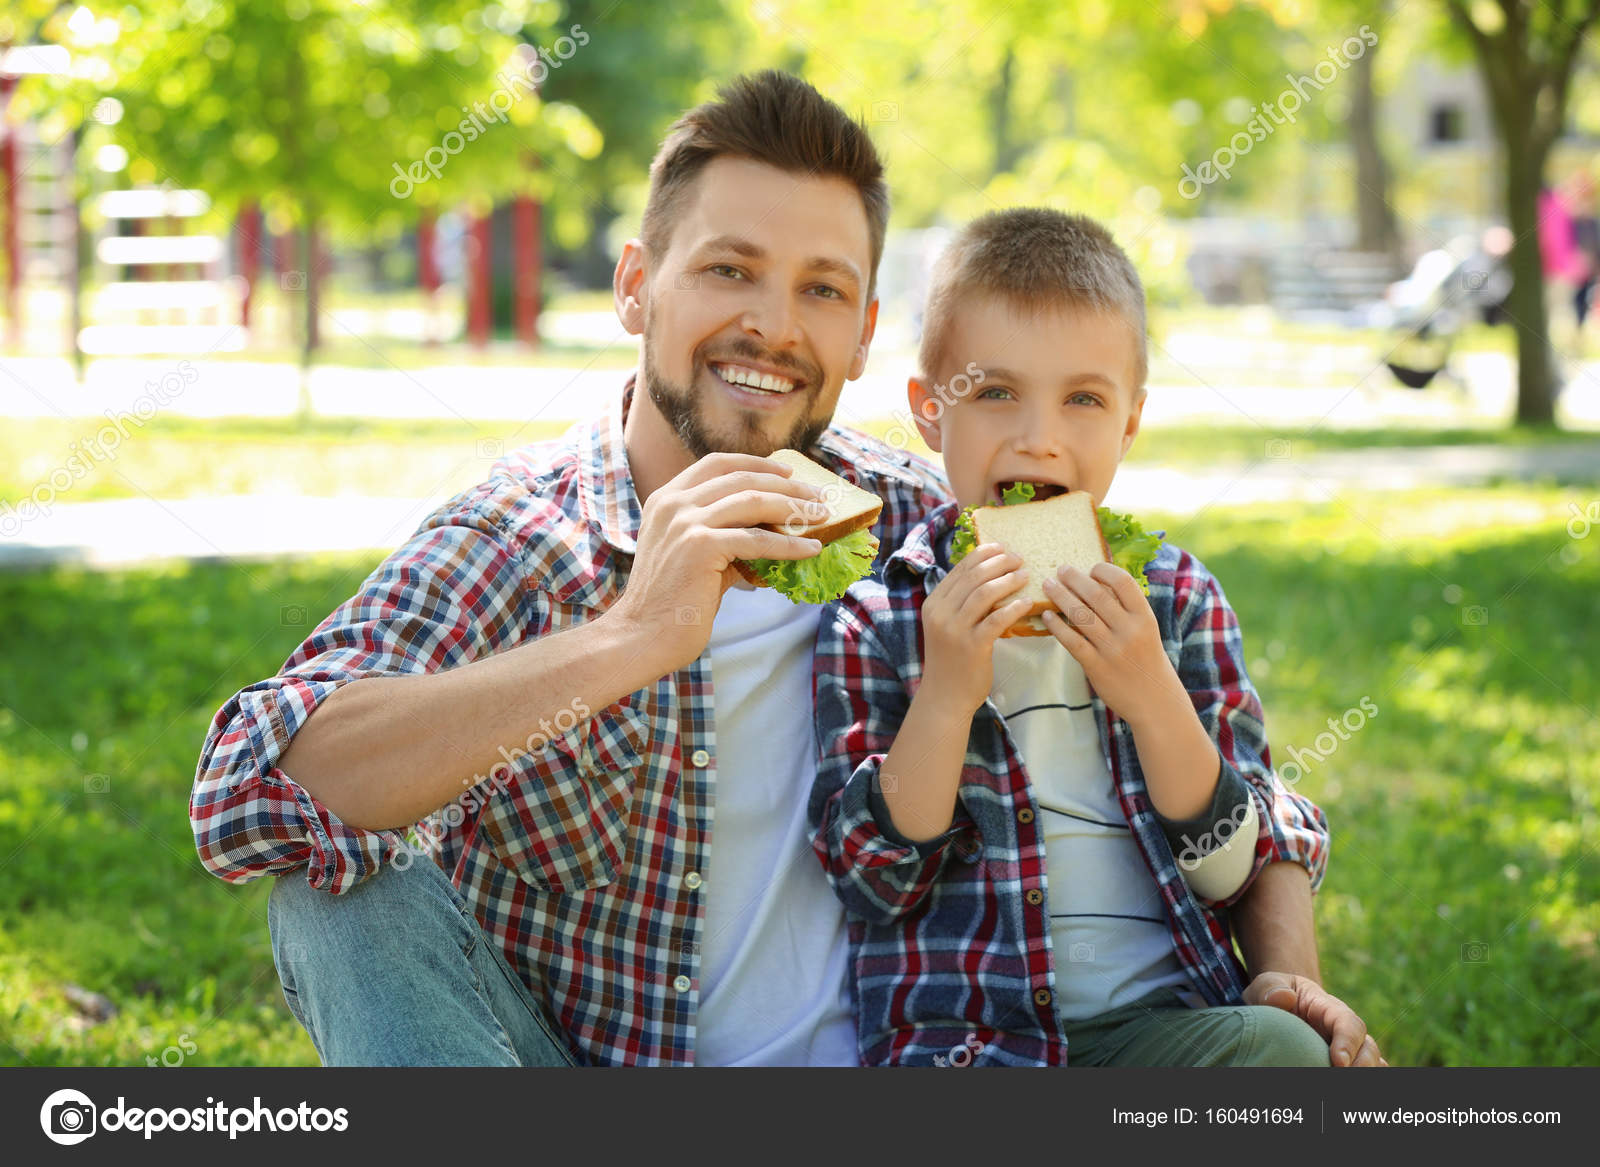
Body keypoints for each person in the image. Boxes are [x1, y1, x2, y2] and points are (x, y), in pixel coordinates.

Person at [190, 73, 1379, 1067]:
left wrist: (1285, 975)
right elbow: (250, 786)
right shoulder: (524, 542)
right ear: (634, 285)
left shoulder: (937, 520)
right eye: (727, 271)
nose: (772, 325)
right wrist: (628, 637)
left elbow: (1250, 796)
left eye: (820, 290)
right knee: (340, 900)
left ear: (865, 336)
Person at [810, 207, 1383, 1066]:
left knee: (1284, 1053)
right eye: (995, 392)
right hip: (966, 1046)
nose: (1039, 436)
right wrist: (946, 693)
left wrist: (1152, 696)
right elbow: (875, 879)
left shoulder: (1177, 598)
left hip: (1162, 1027)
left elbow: (1234, 870)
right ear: (931, 413)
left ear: (1130, 423)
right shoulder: (881, 613)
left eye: (1083, 399)